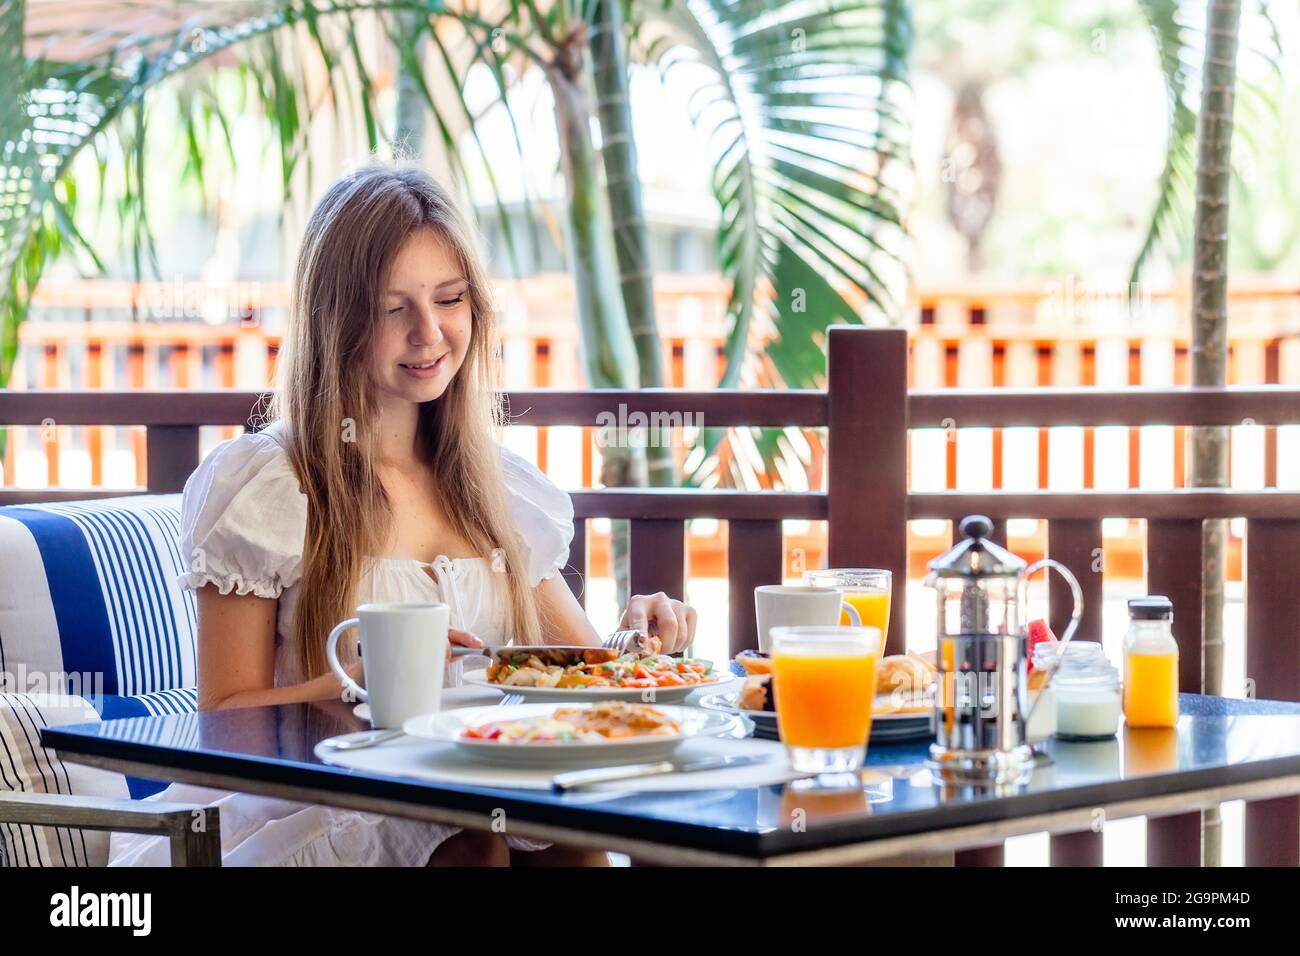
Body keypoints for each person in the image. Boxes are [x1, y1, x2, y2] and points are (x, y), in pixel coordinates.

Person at [109, 163, 697, 866]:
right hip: (311, 802)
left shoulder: (497, 491)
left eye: (449, 299)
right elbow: (221, 720)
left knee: (579, 836)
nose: (429, 334)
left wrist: (643, 640)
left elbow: (583, 676)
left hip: (470, 791)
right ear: (337, 320)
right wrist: (334, 691)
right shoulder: (273, 486)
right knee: (472, 842)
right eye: (394, 309)